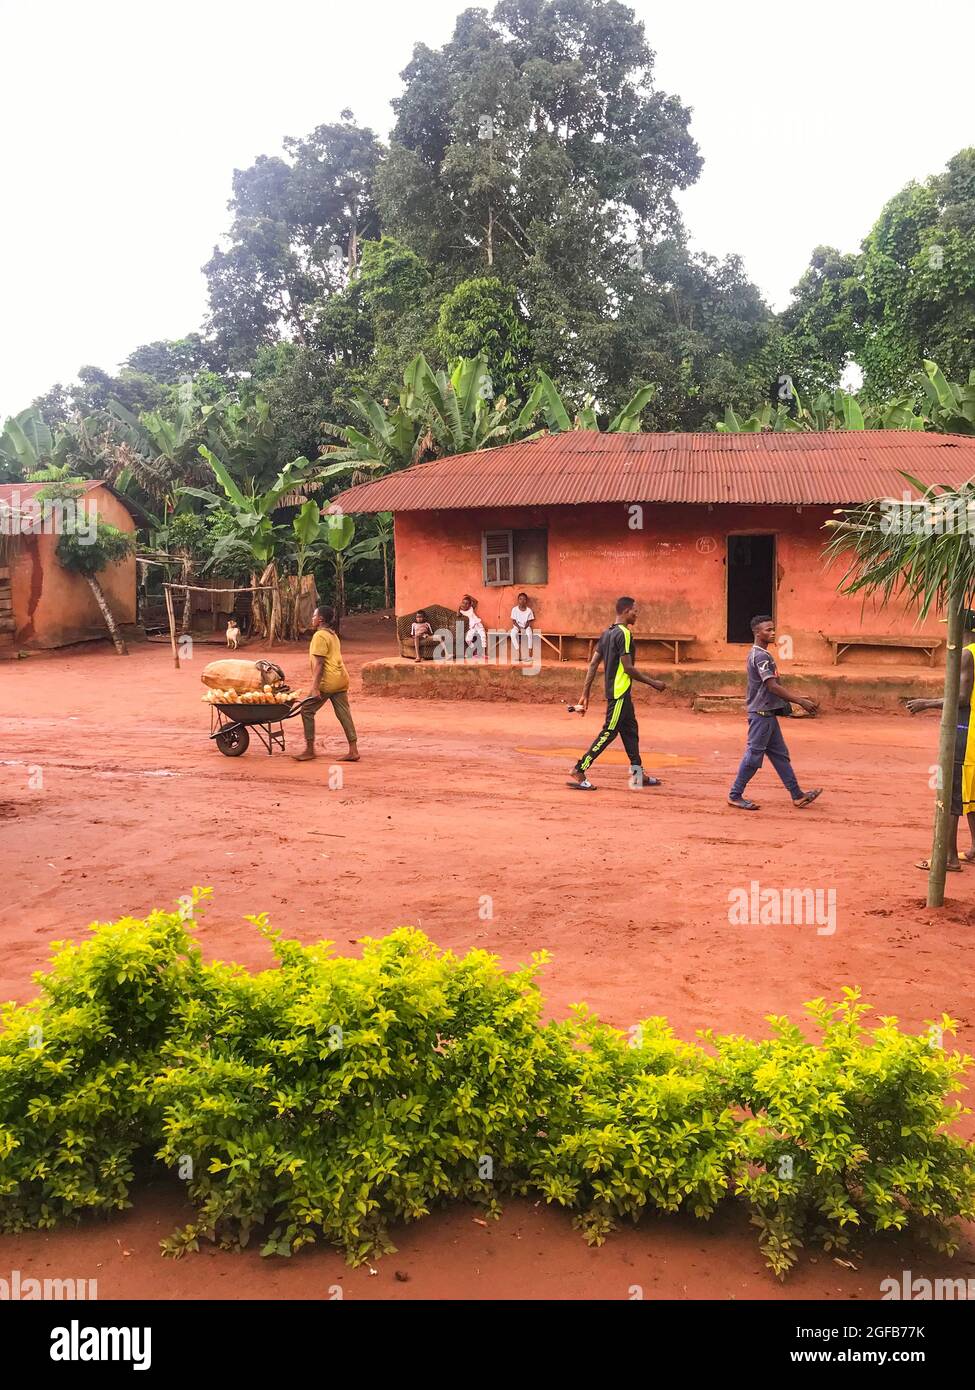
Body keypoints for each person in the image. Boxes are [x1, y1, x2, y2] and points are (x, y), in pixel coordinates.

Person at [567, 596, 666, 790]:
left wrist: (585, 693)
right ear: (626, 611)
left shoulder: (607, 633)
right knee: (609, 732)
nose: (636, 615)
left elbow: (593, 664)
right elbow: (628, 668)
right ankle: (579, 768)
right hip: (619, 694)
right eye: (635, 611)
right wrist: (654, 683)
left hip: (621, 694)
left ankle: (638, 774)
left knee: (630, 732)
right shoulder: (624, 634)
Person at [728, 614, 822, 810]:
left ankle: (797, 795)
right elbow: (772, 686)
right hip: (761, 714)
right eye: (768, 630)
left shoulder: (759, 654)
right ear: (757, 633)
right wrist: (800, 701)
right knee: (753, 757)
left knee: (780, 756)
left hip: (767, 714)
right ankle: (735, 795)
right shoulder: (761, 656)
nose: (773, 633)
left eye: (773, 629)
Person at [906, 609, 975, 871]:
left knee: (951, 795)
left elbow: (961, 698)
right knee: (971, 794)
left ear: (962, 628)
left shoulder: (967, 654)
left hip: (966, 733)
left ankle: (948, 858)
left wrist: (927, 703)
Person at [294, 606, 359, 763]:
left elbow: (320, 664)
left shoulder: (320, 636)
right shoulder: (332, 635)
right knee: (344, 713)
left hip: (328, 681)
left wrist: (315, 687)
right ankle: (353, 750)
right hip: (341, 678)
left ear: (321, 619)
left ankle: (309, 750)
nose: (312, 618)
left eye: (314, 616)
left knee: (306, 709)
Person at [459, 594, 486, 660]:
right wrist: (459, 607)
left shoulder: (471, 608)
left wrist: (469, 596)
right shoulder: (461, 611)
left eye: (467, 603)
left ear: (470, 605)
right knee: (467, 639)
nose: (465, 605)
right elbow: (457, 614)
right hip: (472, 628)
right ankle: (474, 650)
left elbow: (476, 601)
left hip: (478, 625)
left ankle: (483, 654)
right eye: (463, 603)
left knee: (483, 637)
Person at [510, 593, 535, 662]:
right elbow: (514, 621)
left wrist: (524, 628)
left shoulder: (529, 610)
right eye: (520, 599)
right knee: (512, 634)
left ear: (526, 601)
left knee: (529, 634)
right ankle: (518, 653)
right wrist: (520, 629)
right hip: (517, 626)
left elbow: (529, 622)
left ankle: (530, 655)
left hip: (526, 627)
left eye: (524, 599)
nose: (522, 601)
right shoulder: (514, 609)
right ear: (518, 600)